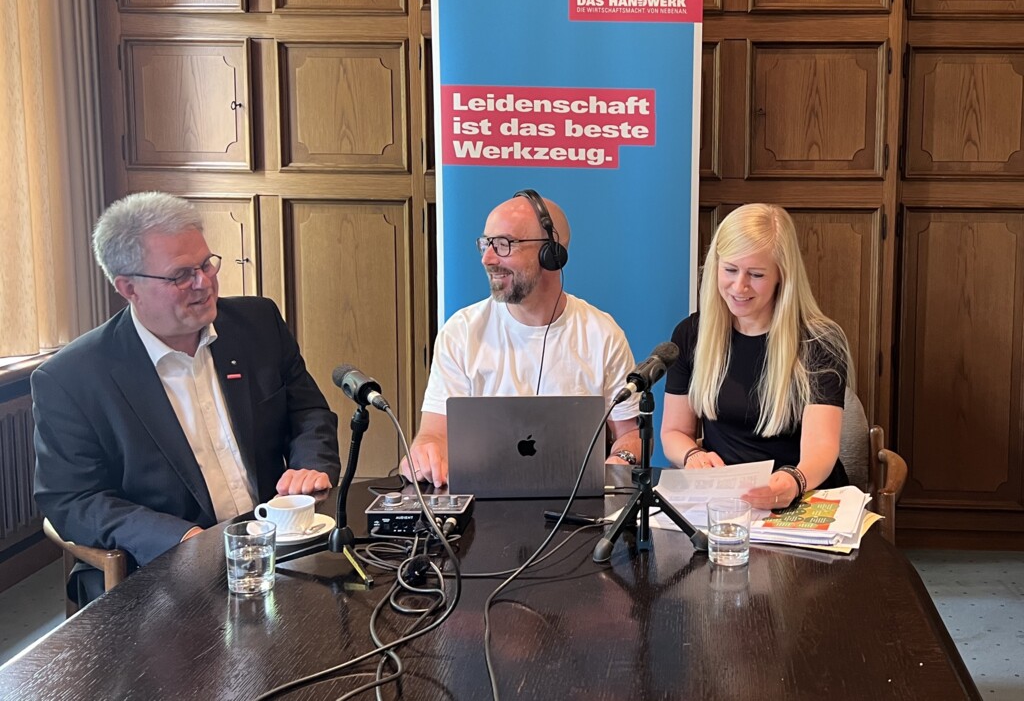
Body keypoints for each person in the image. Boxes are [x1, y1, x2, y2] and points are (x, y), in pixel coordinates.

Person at [32, 192, 341, 604]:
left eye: (206, 264)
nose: (205, 283)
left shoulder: (257, 324)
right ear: (128, 288)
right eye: (181, 275)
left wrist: (309, 466)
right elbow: (72, 499)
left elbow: (308, 412)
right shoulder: (72, 378)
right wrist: (178, 537)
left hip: (280, 549)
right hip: (162, 577)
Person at [399, 190, 641, 487]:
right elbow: (434, 433)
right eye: (486, 244)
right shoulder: (461, 332)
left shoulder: (603, 334)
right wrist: (426, 453)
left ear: (551, 254)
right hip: (479, 507)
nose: (488, 258)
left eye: (503, 244)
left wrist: (622, 460)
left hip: (577, 507)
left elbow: (629, 434)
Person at [661, 203, 854, 511]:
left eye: (756, 274)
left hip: (803, 492)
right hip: (724, 500)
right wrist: (692, 456)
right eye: (730, 270)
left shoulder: (820, 342)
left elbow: (821, 448)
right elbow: (674, 432)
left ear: (782, 275)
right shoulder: (690, 334)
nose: (739, 286)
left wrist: (792, 482)